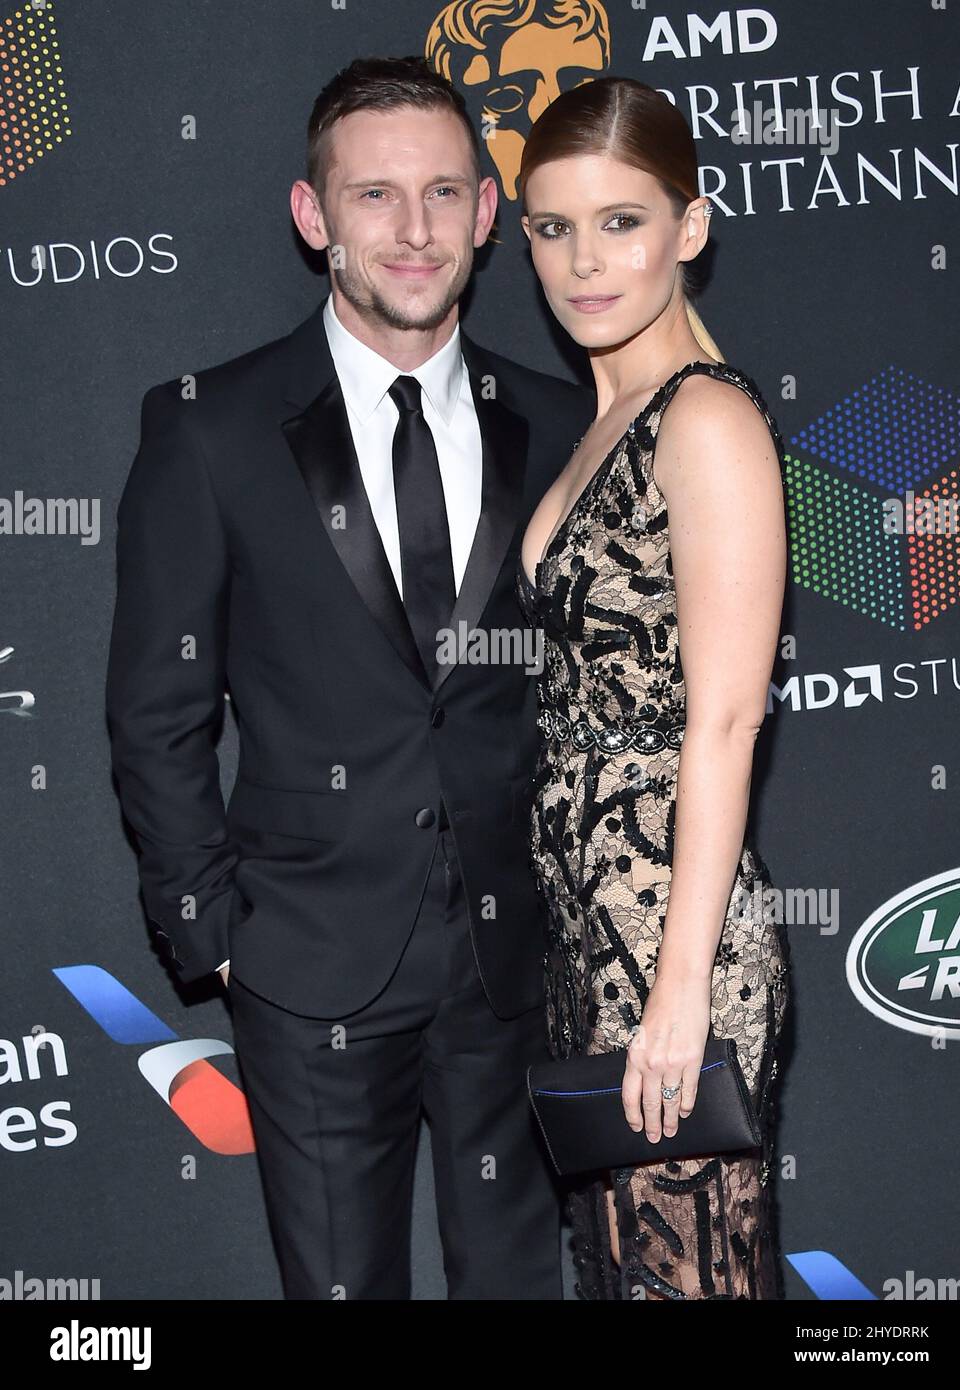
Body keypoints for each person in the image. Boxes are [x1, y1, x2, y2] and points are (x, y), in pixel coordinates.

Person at [105, 55, 595, 1300]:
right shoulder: (209, 427)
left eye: (444, 193)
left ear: (489, 214)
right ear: (313, 215)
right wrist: (211, 932)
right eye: (374, 196)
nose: (414, 231)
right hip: (305, 960)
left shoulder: (560, 422)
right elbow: (159, 708)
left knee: (520, 1284)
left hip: (517, 958)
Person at [515, 76, 791, 1300]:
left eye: (621, 222)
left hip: (670, 937)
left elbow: (724, 718)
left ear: (690, 228)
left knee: (696, 1283)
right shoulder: (601, 416)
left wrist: (677, 993)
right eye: (552, 227)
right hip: (590, 934)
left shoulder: (705, 420)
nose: (584, 261)